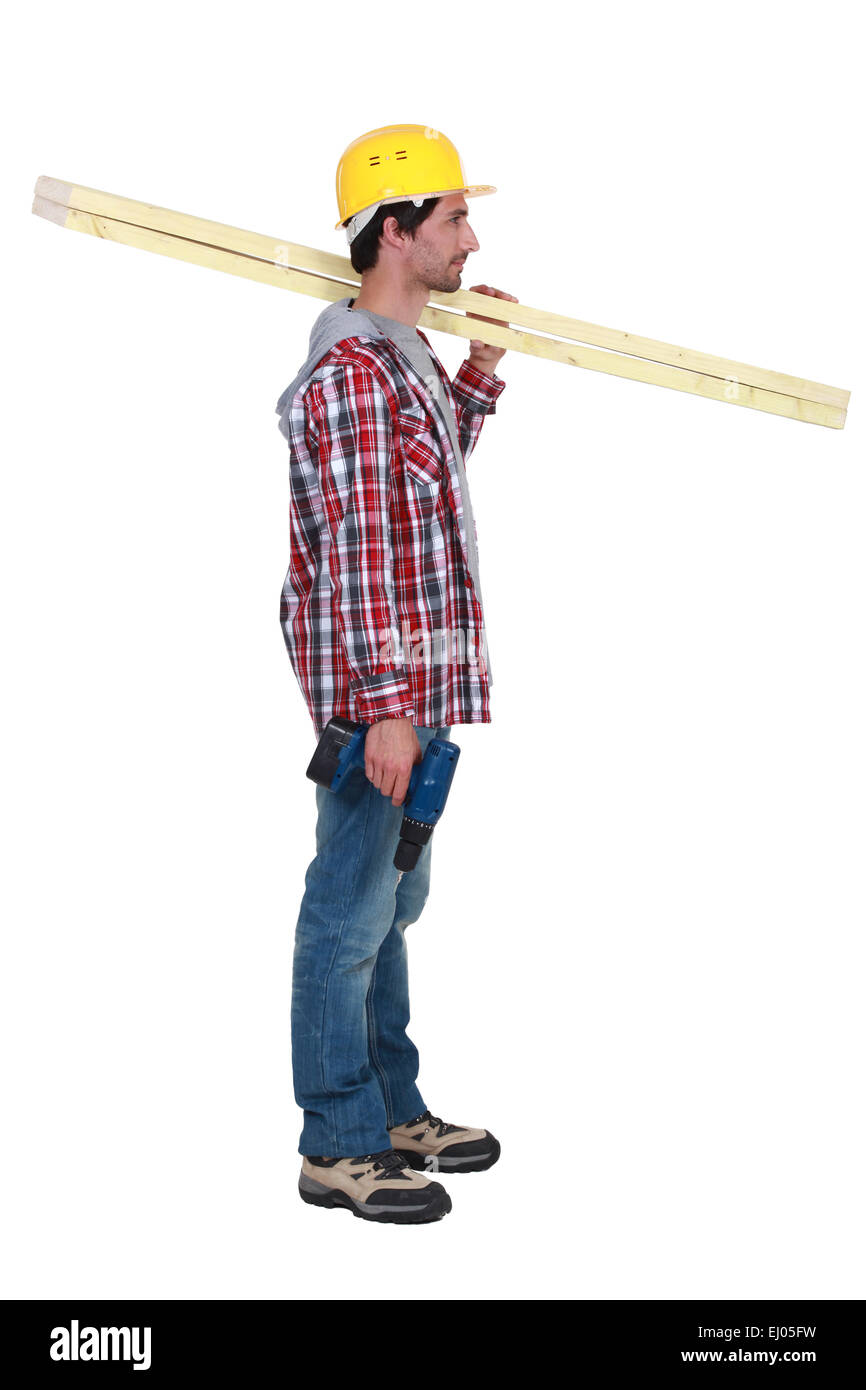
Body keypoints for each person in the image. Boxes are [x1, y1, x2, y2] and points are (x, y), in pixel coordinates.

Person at [275, 125, 518, 1224]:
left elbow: (420, 490)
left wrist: (479, 374)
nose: (471, 237)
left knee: (389, 903)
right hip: (386, 693)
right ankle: (339, 1140)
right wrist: (384, 710)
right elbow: (364, 550)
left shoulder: (399, 362)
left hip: (413, 688)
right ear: (394, 230)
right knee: (347, 913)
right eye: (453, 217)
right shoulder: (352, 370)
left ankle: (388, 1105)